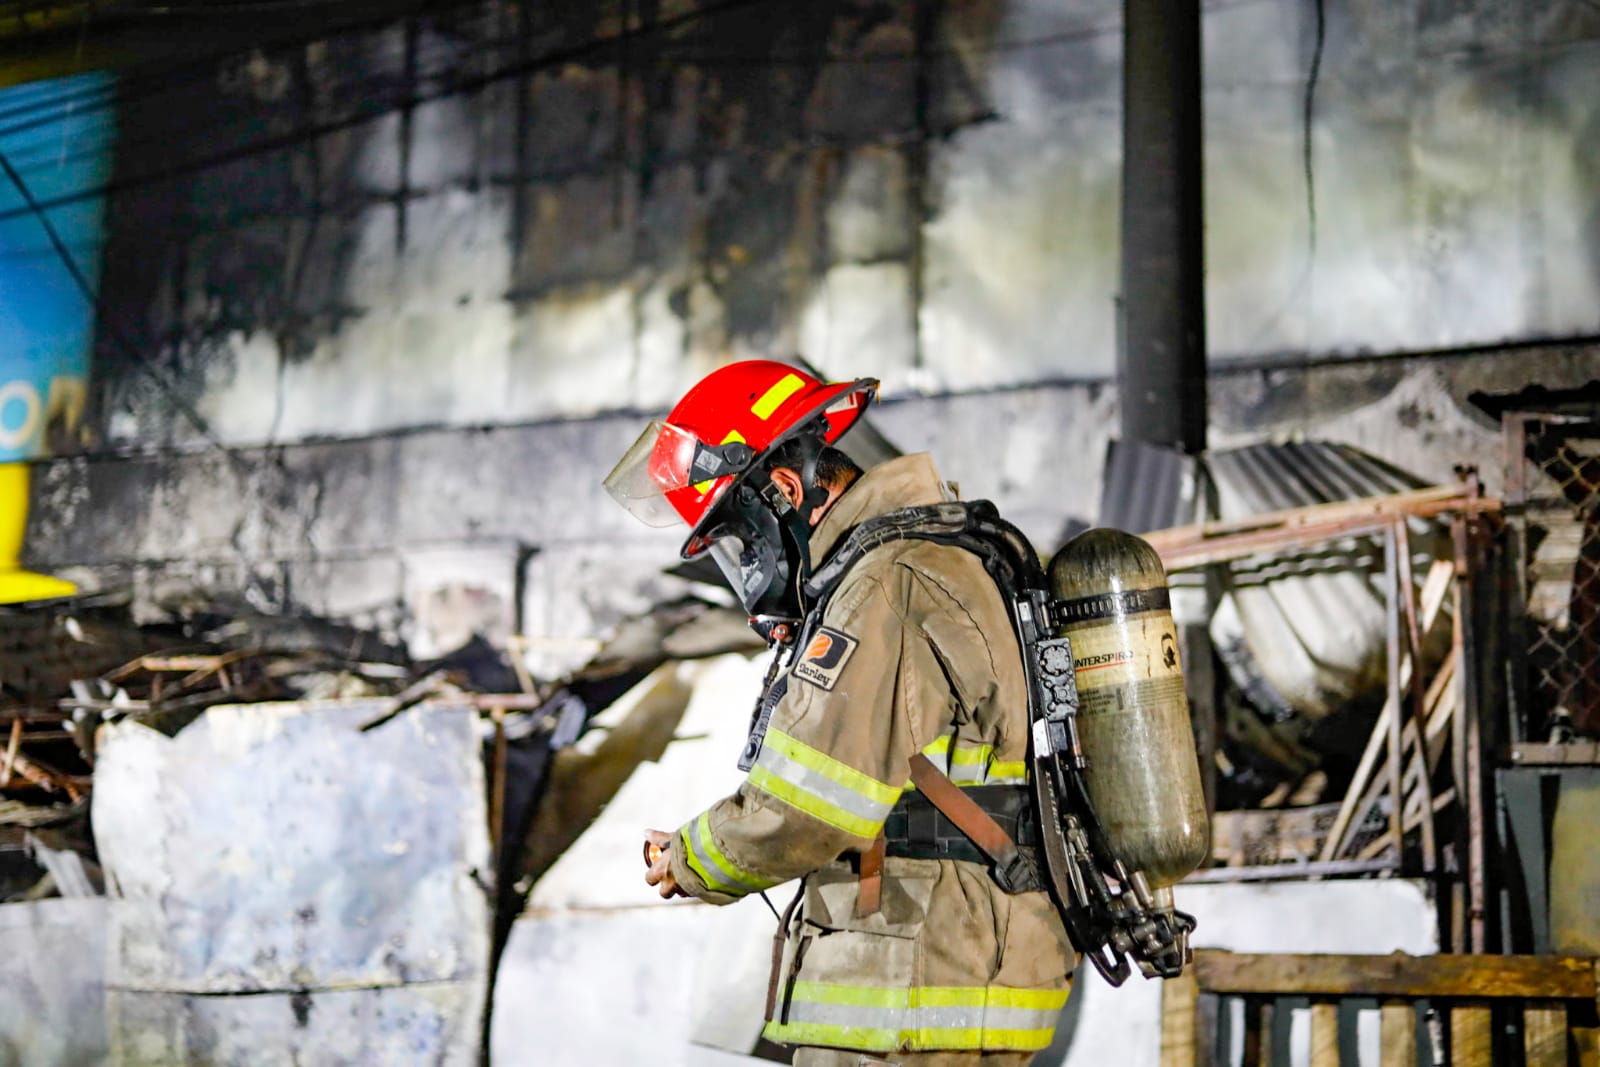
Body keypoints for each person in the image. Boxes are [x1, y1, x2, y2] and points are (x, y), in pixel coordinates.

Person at [604, 360, 1075, 1066]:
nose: (748, 564)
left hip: (913, 985)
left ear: (786, 491)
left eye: (741, 538)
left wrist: (689, 858)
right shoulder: (941, 558)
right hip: (956, 971)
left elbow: (807, 806)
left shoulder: (885, 584)